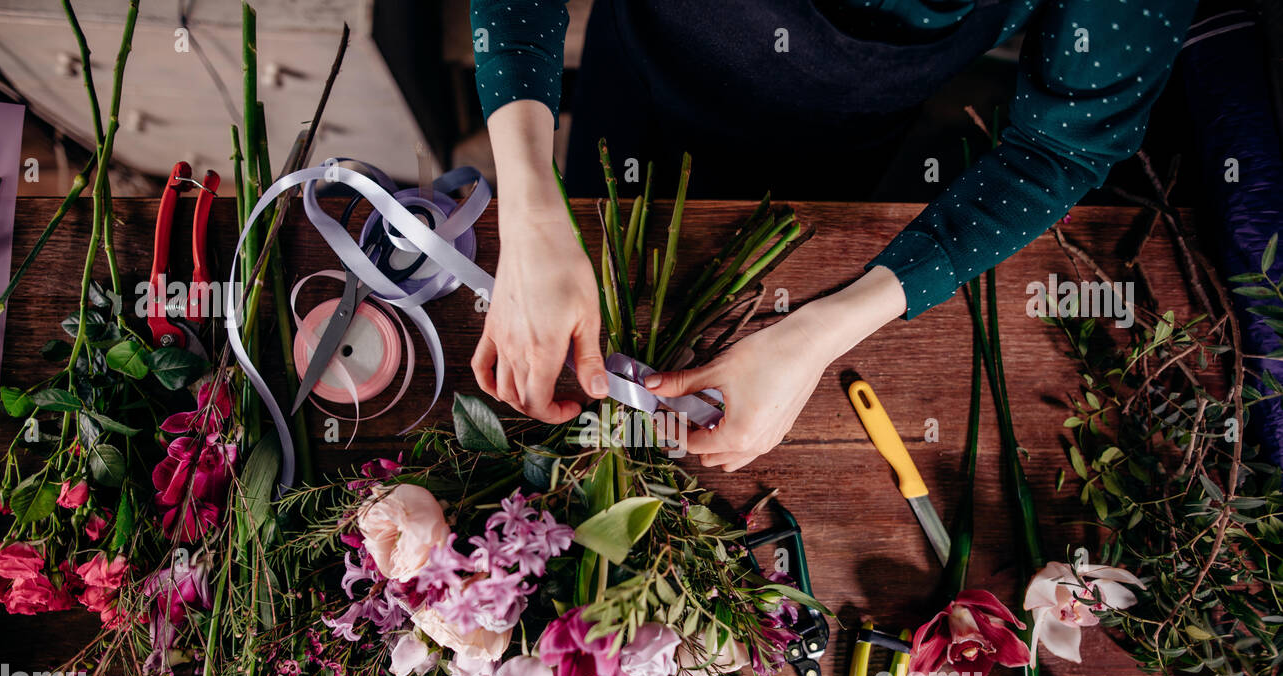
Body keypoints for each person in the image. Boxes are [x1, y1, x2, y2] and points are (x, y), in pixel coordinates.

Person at [468, 0, 1197, 472]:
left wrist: (819, 331)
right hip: (636, 82)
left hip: (834, 157)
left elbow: (1060, 148)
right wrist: (532, 208)